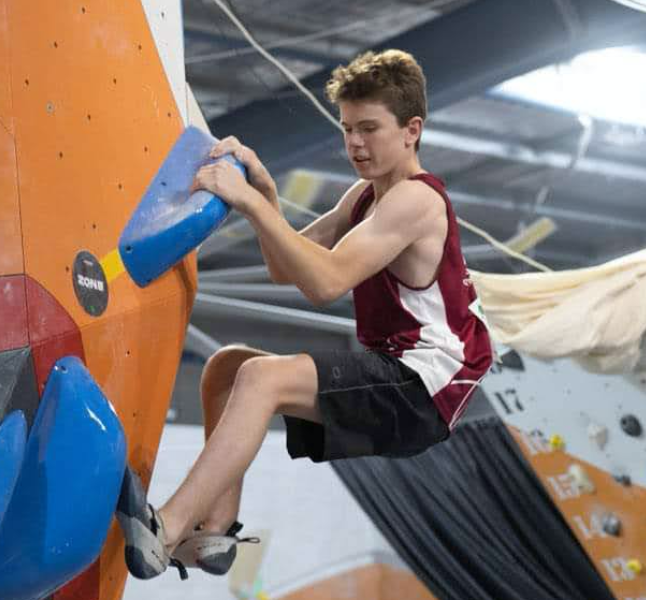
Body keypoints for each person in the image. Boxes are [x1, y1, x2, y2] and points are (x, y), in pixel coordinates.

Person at [116, 48, 493, 580]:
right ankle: (215, 535)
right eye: (346, 129)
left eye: (369, 128)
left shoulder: (416, 201)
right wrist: (267, 194)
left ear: (412, 130)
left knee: (262, 376)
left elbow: (326, 282)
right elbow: (285, 266)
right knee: (227, 366)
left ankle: (167, 529)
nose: (355, 144)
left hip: (423, 389)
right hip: (398, 373)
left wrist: (249, 204)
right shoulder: (364, 196)